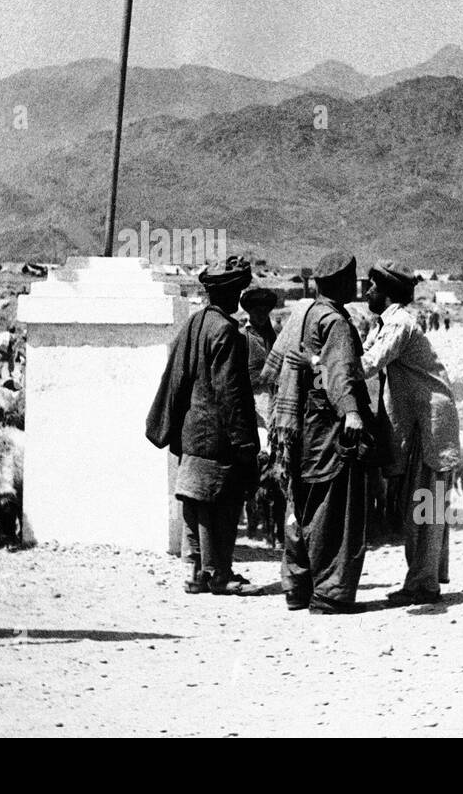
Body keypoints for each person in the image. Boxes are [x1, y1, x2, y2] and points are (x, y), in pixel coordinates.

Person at [264, 251, 371, 614]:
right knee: (335, 508)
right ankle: (330, 593)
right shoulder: (337, 323)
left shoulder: (305, 313)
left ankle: (296, 587)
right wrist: (352, 413)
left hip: (300, 426)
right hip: (328, 429)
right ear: (342, 283)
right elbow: (340, 373)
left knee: (300, 502)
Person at [147, 257, 261, 596]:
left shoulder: (195, 323)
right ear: (233, 293)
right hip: (217, 434)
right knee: (220, 503)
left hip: (191, 430)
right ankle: (219, 574)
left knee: (195, 503)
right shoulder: (225, 330)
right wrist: (245, 443)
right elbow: (231, 393)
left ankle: (196, 572)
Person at [357, 261, 463, 606]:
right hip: (420, 421)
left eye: (372, 286)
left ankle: (424, 584)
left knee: (428, 505)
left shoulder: (399, 322)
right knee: (419, 504)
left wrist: (321, 366)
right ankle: (421, 579)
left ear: (385, 291)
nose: (367, 292)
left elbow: (368, 364)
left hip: (432, 422)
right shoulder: (387, 322)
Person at [240, 286, 278, 426]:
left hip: (272, 395)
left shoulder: (271, 336)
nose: (262, 315)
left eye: (265, 312)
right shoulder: (243, 336)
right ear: (250, 312)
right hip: (252, 396)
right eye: (258, 312)